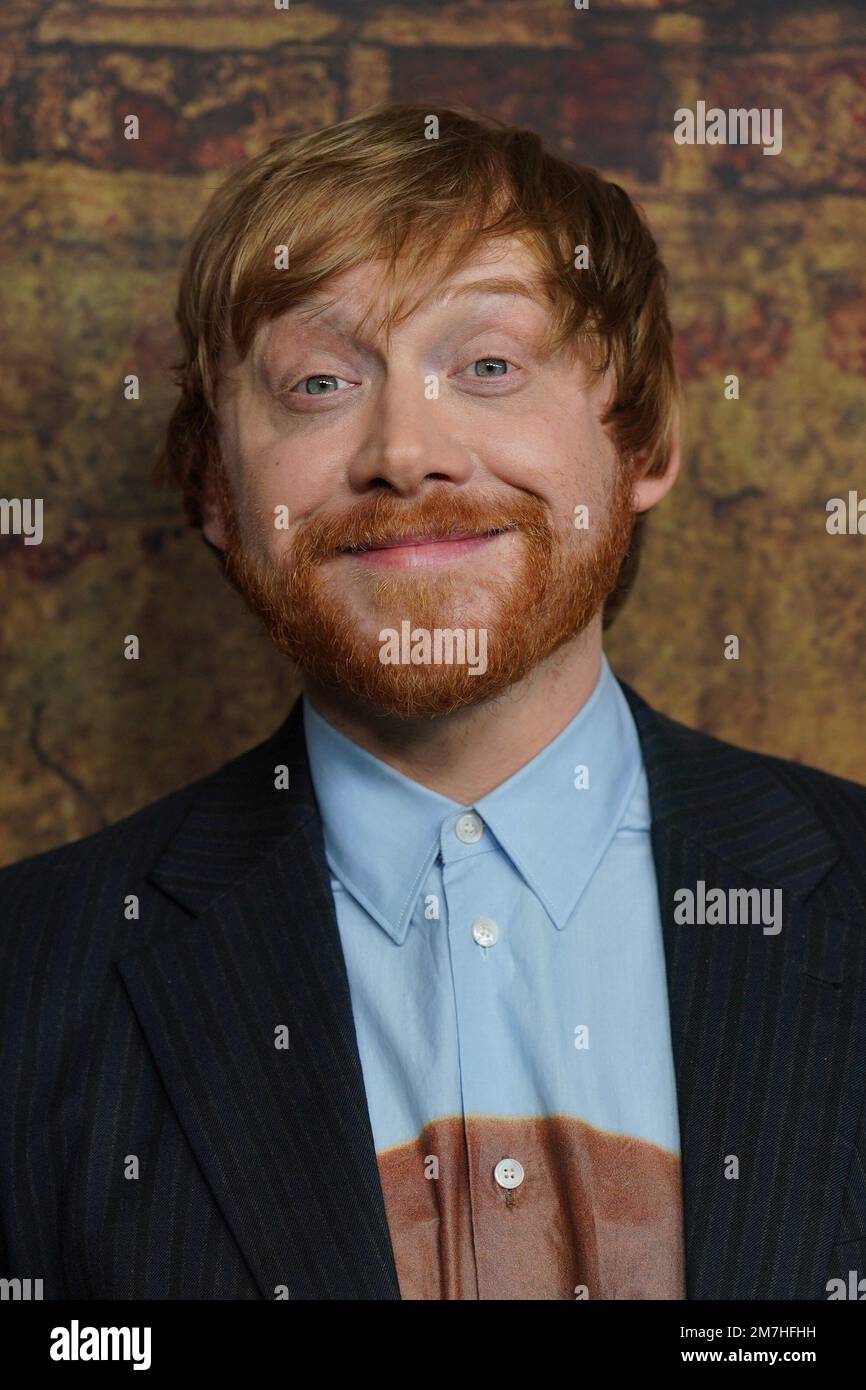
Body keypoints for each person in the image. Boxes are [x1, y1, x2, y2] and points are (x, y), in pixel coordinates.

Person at [2, 103, 865, 1302]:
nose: (404, 451)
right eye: (315, 382)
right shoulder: (26, 978)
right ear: (211, 485)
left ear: (646, 438)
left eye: (489, 365)